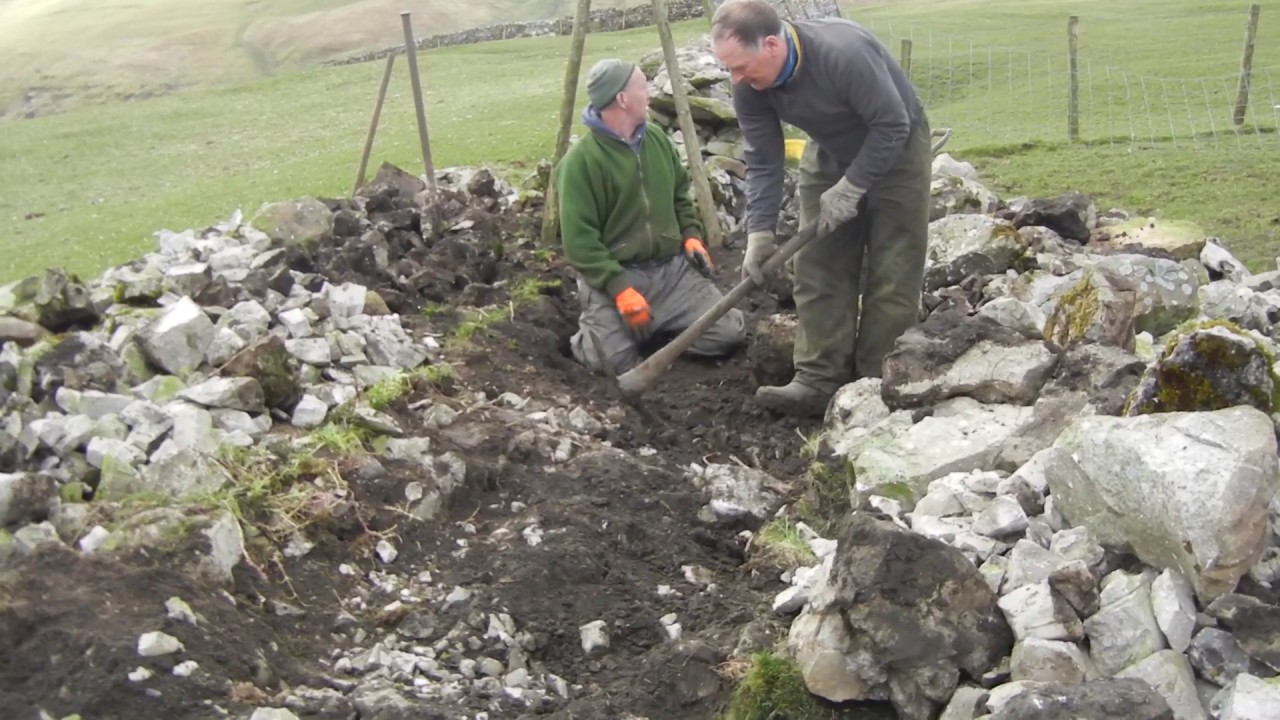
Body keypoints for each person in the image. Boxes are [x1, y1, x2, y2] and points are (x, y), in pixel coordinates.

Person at [710, 0, 932, 418]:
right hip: (830, 149)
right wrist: (759, 232)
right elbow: (763, 159)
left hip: (897, 149)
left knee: (893, 269)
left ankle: (874, 384)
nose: (735, 78)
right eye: (729, 69)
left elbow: (892, 124)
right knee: (818, 264)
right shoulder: (749, 85)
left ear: (771, 44)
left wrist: (853, 187)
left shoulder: (843, 54)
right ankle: (817, 379)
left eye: (740, 67)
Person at [557, 58, 747, 375]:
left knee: (728, 333)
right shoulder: (580, 163)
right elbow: (580, 243)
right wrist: (620, 289)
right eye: (642, 88)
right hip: (617, 275)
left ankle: (654, 327)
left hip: (671, 271)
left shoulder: (658, 140)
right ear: (622, 99)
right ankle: (592, 338)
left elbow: (680, 195)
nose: (649, 94)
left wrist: (691, 236)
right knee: (610, 363)